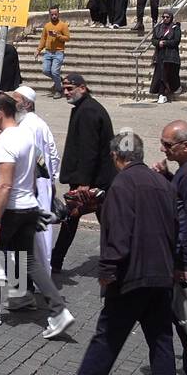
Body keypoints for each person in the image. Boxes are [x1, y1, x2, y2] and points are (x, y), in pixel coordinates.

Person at [70, 130, 177, 375]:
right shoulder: (162, 183)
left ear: (116, 156)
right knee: (161, 340)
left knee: (107, 336)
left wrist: (107, 272)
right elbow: (175, 227)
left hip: (131, 277)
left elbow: (118, 235)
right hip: (161, 276)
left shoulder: (121, 184)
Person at [0, 92, 73, 337]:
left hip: (9, 209)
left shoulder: (7, 141)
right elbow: (32, 172)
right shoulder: (26, 134)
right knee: (28, 260)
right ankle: (58, 310)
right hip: (28, 206)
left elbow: (5, 185)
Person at [153, 119, 187, 375]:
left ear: (185, 146)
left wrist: (181, 264)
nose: (163, 149)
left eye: (167, 144)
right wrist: (167, 177)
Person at [52, 73, 115, 274]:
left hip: (92, 180)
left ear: (83, 88)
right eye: (64, 88)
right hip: (92, 179)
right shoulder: (85, 108)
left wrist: (84, 183)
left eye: (70, 88)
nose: (66, 92)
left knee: (74, 217)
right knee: (103, 222)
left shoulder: (88, 111)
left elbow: (90, 150)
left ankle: (56, 260)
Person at [12, 87, 61, 290]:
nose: (12, 103)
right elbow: (54, 154)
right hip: (42, 185)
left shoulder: (26, 125)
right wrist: (52, 181)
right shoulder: (39, 124)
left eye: (16, 100)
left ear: (28, 104)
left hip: (30, 186)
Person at [35, 5, 70, 98]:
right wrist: (38, 50)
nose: (54, 16)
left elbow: (67, 38)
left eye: (55, 14)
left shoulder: (63, 25)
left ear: (58, 14)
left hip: (58, 52)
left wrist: (58, 36)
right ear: (49, 14)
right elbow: (43, 39)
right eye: (52, 14)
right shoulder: (47, 26)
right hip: (48, 52)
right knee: (45, 70)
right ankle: (58, 79)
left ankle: (59, 90)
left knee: (54, 72)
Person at [149, 10, 183, 103]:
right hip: (160, 55)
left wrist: (165, 43)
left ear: (171, 18)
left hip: (171, 55)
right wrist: (158, 43)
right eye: (163, 17)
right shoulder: (158, 27)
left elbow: (176, 41)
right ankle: (161, 94)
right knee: (160, 74)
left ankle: (164, 93)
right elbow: (153, 39)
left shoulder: (175, 28)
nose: (165, 19)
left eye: (167, 17)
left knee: (167, 74)